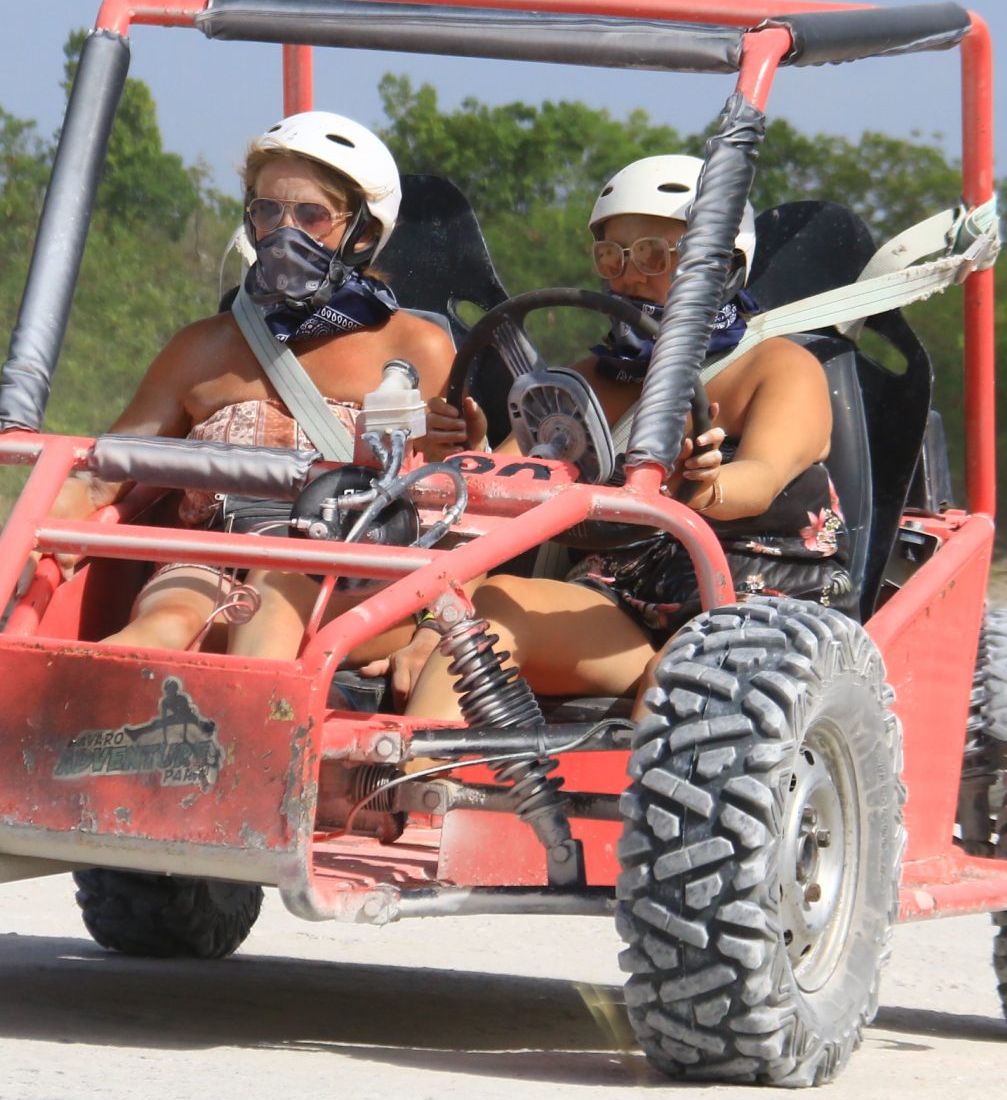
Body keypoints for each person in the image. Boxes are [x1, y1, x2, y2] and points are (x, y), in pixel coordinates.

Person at [391, 153, 850, 715]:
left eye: (654, 254)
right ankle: (408, 783)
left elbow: (761, 477)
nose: (629, 274)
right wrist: (471, 457)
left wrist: (709, 489)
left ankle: (658, 797)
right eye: (612, 256)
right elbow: (503, 501)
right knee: (487, 611)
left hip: (758, 595)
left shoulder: (779, 366)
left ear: (725, 265)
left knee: (680, 678)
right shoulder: (585, 382)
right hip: (623, 602)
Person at [59, 111, 455, 659]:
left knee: (275, 582)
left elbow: (455, 493)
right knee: (165, 621)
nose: (282, 230)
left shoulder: (414, 348)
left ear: (362, 230)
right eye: (267, 209)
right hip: (208, 563)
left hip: (356, 579)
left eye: (311, 214)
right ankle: (81, 722)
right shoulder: (202, 349)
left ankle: (250, 733)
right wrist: (30, 539)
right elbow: (102, 477)